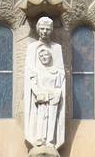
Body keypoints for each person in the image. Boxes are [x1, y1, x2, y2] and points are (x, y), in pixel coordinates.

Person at [24, 16, 65, 149]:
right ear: (37, 29)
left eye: (47, 29)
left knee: (52, 117)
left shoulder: (56, 48)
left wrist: (56, 92)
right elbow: (30, 75)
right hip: (40, 95)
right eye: (42, 29)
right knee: (41, 116)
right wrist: (37, 91)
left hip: (53, 95)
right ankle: (39, 137)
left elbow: (61, 73)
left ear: (51, 30)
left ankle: (51, 139)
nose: (45, 31)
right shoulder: (32, 48)